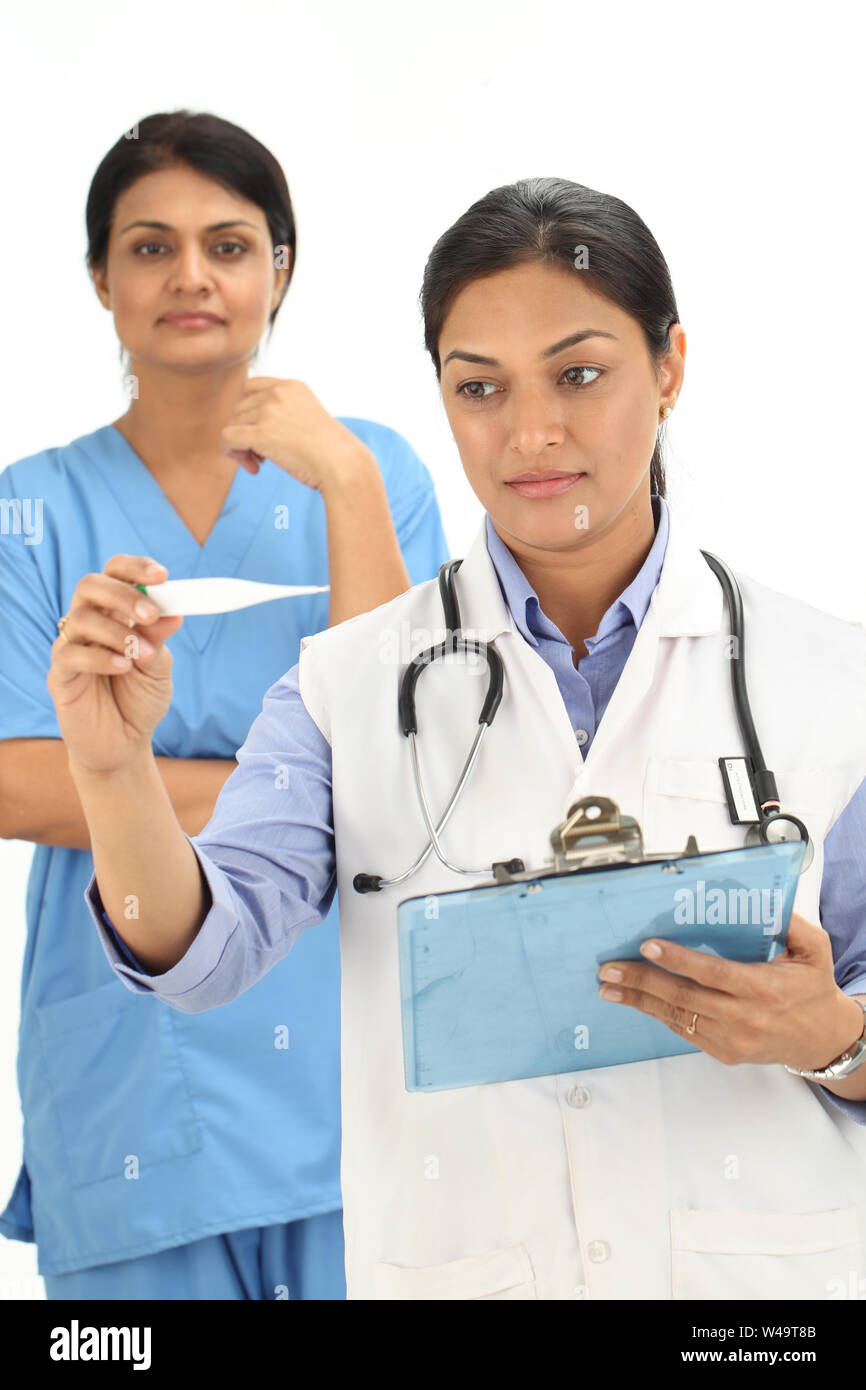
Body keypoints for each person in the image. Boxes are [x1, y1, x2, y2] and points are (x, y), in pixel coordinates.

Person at [46, 177, 866, 1300]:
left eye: (579, 374)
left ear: (668, 366)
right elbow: (198, 951)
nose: (530, 432)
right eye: (478, 387)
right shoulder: (344, 684)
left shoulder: (832, 678)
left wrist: (828, 1034)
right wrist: (112, 766)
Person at [0, 110, 449, 1300]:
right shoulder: (31, 508)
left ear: (279, 271)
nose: (190, 275)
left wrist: (342, 478)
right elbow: (18, 781)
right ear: (100, 277)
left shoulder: (373, 470)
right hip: (132, 1057)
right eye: (149, 246)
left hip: (348, 1055)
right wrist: (301, 803)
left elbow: (411, 750)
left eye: (229, 244)